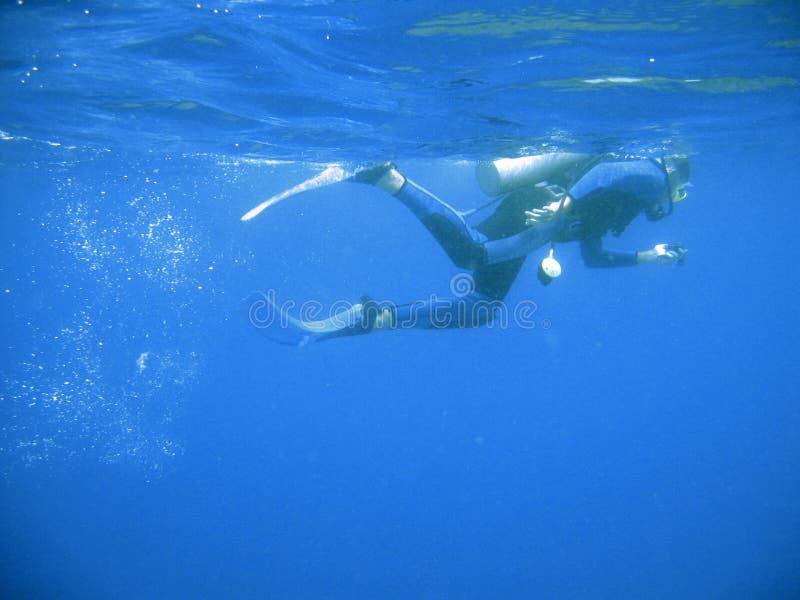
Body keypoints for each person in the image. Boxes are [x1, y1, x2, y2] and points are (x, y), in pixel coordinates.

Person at [249, 153, 690, 345]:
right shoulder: (655, 175)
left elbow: (593, 257)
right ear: (675, 180)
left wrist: (647, 258)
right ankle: (385, 177)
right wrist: (566, 201)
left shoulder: (624, 210)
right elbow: (608, 171)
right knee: (472, 254)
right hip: (541, 207)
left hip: (542, 214)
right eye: (680, 192)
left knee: (482, 307)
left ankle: (377, 318)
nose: (672, 202)